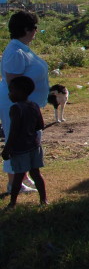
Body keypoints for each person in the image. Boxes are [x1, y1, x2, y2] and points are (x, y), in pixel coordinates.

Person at [0, 10, 49, 195]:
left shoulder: (21, 48)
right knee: (17, 141)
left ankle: (24, 176)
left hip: (27, 106)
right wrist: (24, 109)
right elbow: (14, 83)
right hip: (17, 107)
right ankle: (14, 183)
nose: (36, 31)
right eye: (35, 28)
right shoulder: (16, 51)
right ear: (27, 30)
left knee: (28, 141)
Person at [3, 76, 47, 208]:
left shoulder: (16, 108)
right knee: (36, 173)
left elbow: (14, 131)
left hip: (20, 148)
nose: (9, 94)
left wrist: (7, 148)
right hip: (34, 146)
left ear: (20, 92)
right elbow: (40, 125)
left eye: (11, 91)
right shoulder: (34, 105)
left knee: (18, 175)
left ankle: (12, 202)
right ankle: (43, 200)